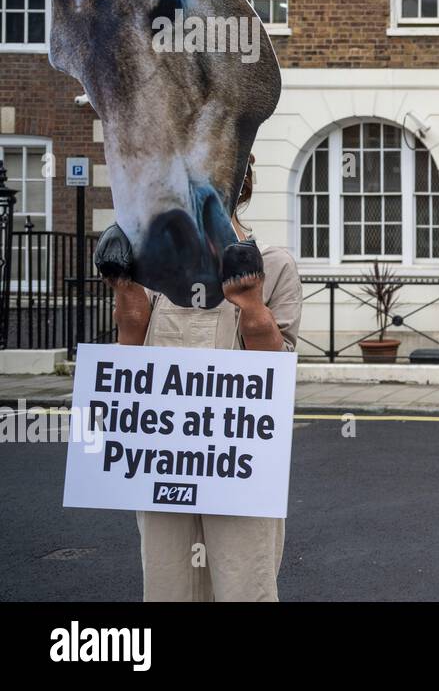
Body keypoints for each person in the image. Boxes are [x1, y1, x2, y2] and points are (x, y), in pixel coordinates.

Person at [95, 155, 302, 602]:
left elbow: (275, 375)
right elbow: (129, 352)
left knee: (244, 583)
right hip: (162, 461)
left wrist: (251, 303)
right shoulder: (151, 265)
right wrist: (127, 289)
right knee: (168, 584)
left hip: (239, 463)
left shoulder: (274, 263)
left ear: (238, 185)